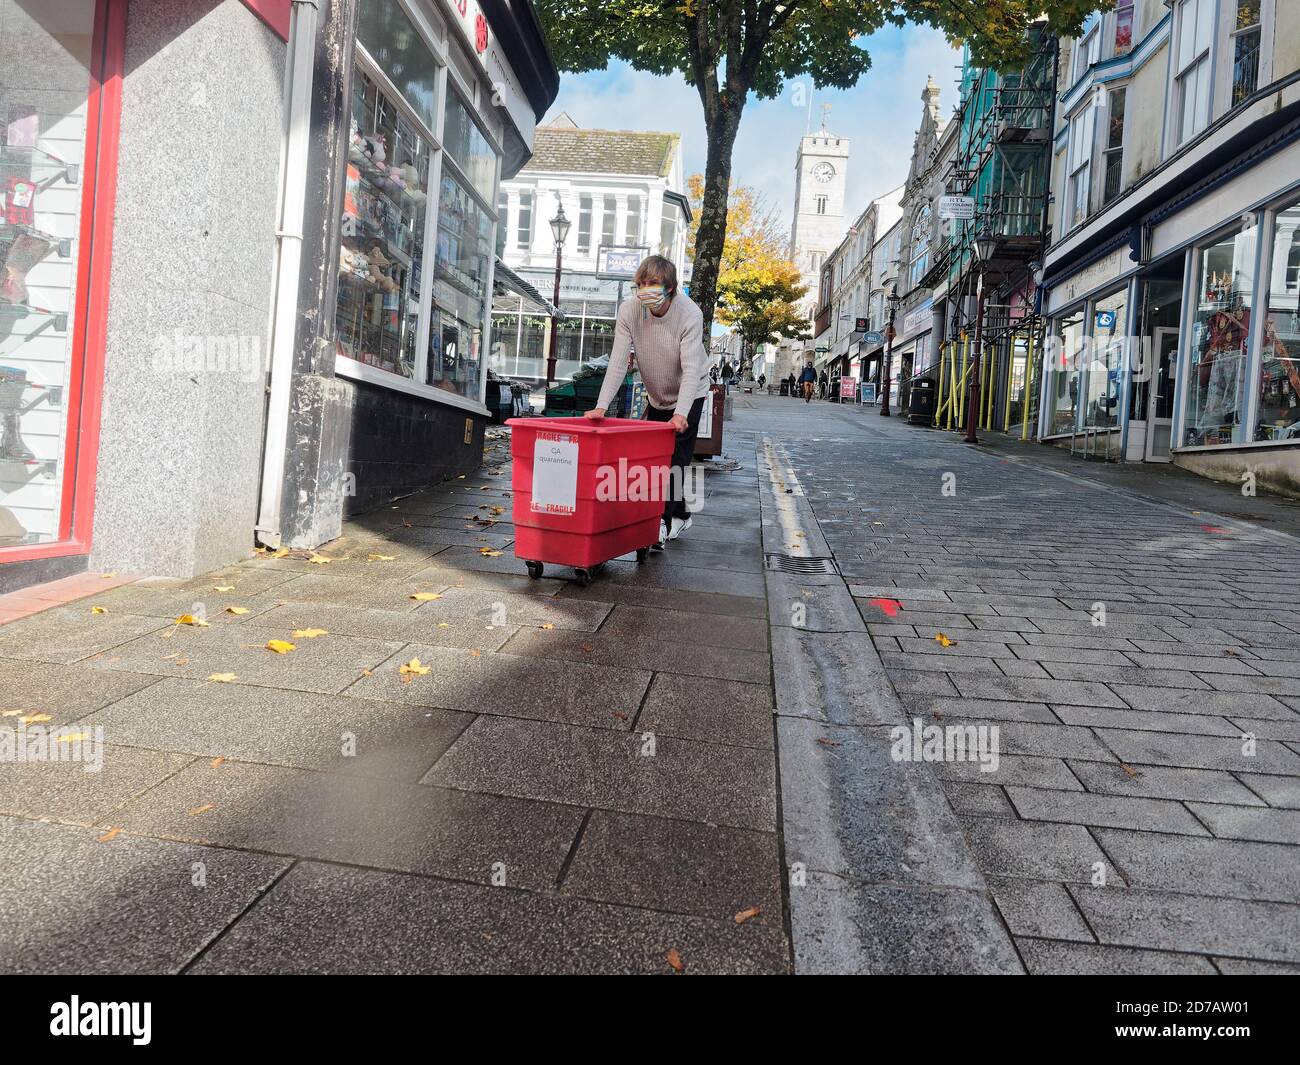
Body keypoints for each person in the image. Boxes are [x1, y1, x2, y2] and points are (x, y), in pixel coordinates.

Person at [585, 255, 709, 548]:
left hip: (689, 393)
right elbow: (618, 361)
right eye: (641, 284)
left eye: (653, 283)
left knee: (674, 459)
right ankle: (680, 514)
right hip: (656, 393)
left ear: (670, 287)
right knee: (653, 460)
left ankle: (661, 525)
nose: (645, 290)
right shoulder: (630, 311)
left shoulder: (689, 314)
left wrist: (681, 414)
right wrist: (601, 406)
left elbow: (692, 369)